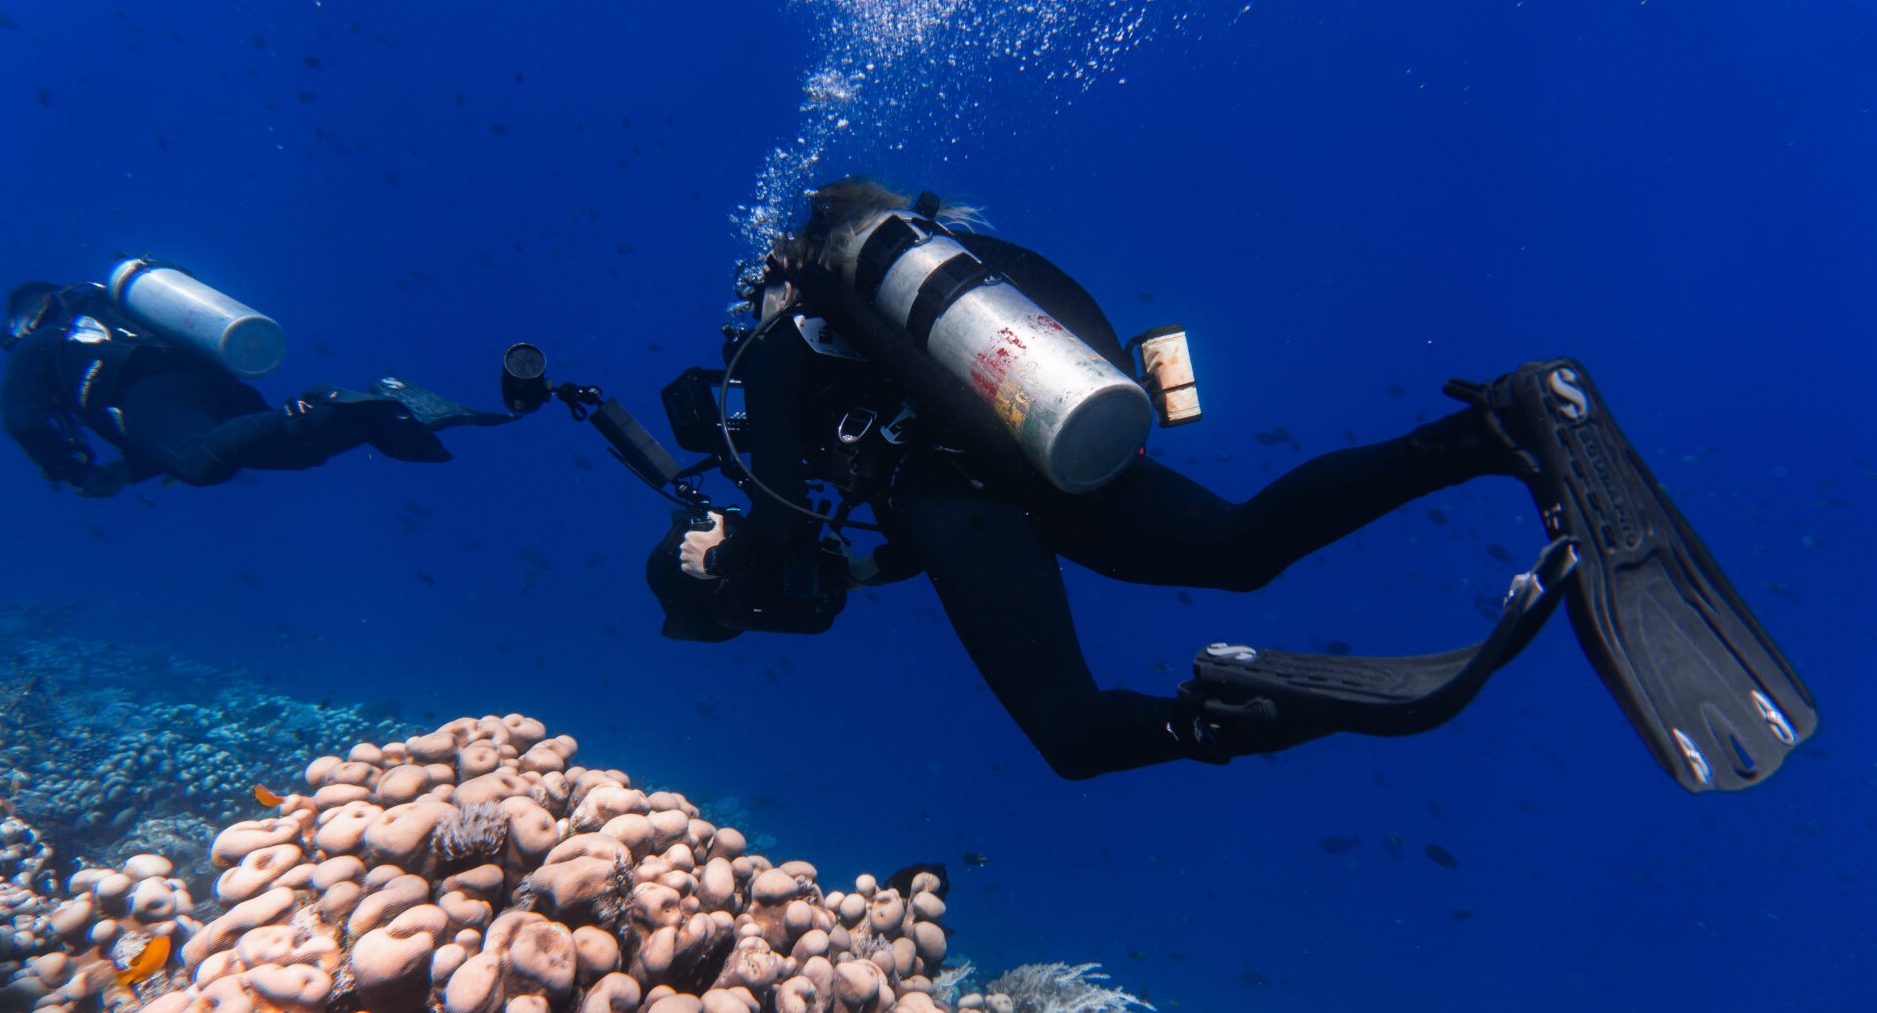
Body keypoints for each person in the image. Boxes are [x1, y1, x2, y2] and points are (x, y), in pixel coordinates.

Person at [648, 179, 1816, 794]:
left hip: (956, 491)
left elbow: (781, 517)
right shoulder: (923, 279)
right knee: (1246, 543)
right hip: (1044, 451)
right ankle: (1502, 425)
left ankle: (1226, 709)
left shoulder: (776, 356)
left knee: (1072, 730)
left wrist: (728, 553)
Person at [0, 279, 509, 496]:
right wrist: (121, 473)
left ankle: (320, 403)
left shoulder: (44, 344)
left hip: (146, 385)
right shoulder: (123, 323)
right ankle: (378, 399)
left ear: (28, 320)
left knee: (199, 462)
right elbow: (159, 437)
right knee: (292, 449)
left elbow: (23, 418)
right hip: (204, 379)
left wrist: (70, 471)